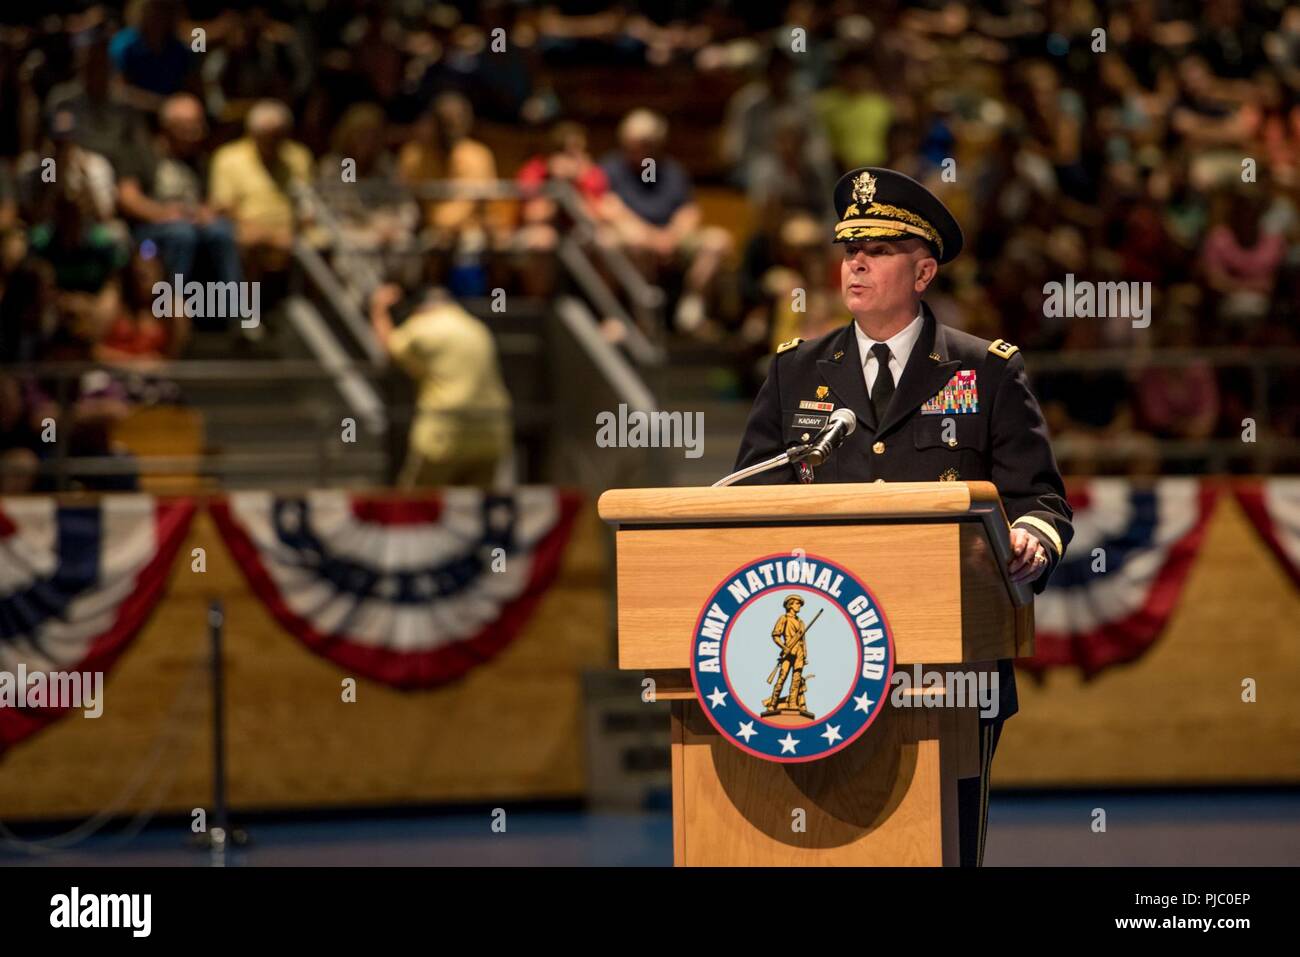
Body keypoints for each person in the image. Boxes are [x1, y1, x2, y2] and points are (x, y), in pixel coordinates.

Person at [730, 167, 1074, 867]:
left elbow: (1041, 498)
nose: (855, 261)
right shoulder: (795, 373)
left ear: (922, 271)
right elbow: (749, 497)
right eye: (850, 246)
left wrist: (1033, 538)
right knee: (832, 840)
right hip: (827, 654)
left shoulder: (985, 372)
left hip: (952, 653)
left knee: (943, 841)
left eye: (879, 249)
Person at [369, 283, 512, 489]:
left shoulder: (423, 326)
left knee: (418, 508)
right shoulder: (476, 327)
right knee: (474, 511)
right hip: (493, 430)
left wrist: (378, 308)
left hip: (445, 433)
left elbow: (390, 348)